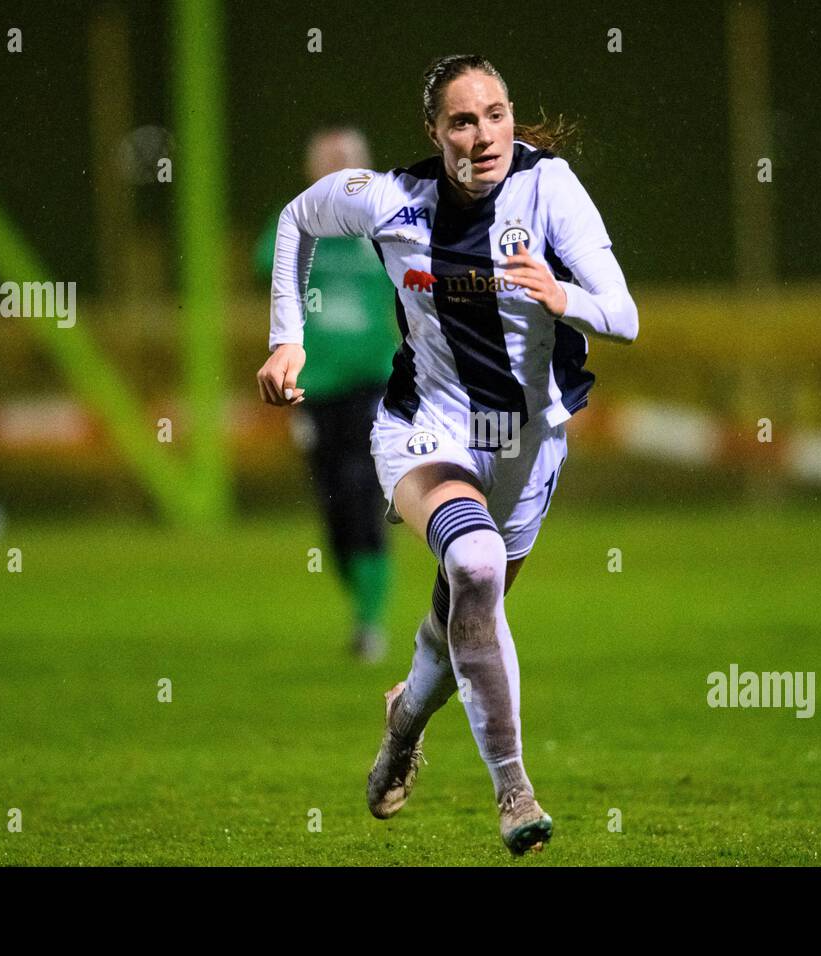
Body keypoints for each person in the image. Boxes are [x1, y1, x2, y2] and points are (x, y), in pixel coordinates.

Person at [257, 54, 638, 854]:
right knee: (472, 566)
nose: (483, 134)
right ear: (435, 133)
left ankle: (402, 725)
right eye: (462, 121)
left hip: (526, 442)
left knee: (460, 614)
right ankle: (514, 792)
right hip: (425, 425)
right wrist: (286, 340)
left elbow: (625, 316)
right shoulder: (390, 199)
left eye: (496, 113)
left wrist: (564, 297)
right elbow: (296, 220)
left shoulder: (549, 189)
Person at [254, 126, 401, 662]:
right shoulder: (293, 224)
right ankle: (361, 603)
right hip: (312, 391)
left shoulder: (388, 224)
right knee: (333, 505)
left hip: (375, 382)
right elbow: (266, 269)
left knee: (362, 487)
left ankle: (370, 622)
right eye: (329, 164)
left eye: (350, 164)